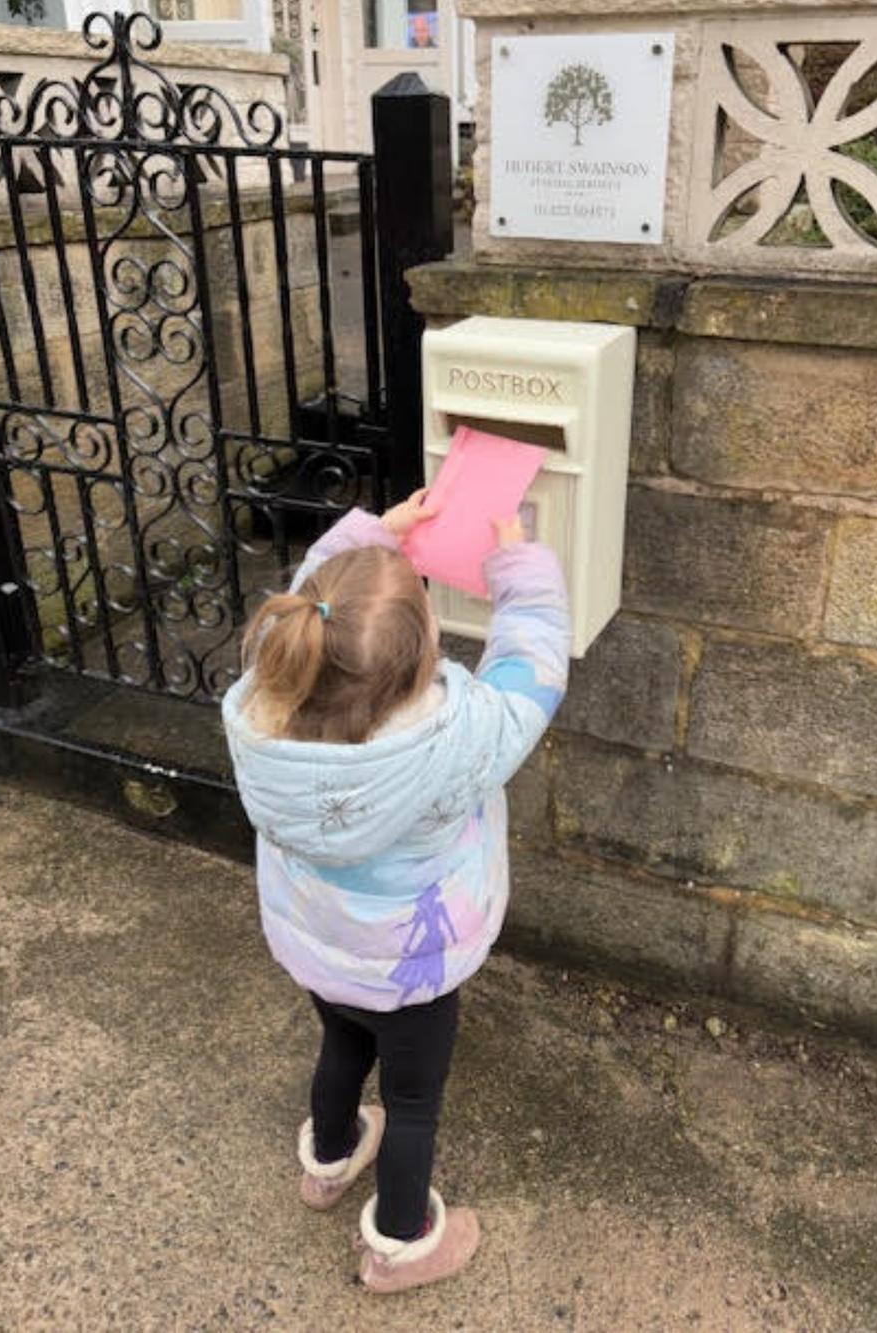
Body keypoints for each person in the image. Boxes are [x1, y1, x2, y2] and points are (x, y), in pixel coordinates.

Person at [221, 490, 569, 1293]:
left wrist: (371, 538)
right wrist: (518, 562)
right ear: (427, 654)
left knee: (342, 1046)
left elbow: (303, 609)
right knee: (413, 1101)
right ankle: (401, 1243)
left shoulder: (264, 703)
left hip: (319, 948)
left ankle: (330, 1162)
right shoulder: (459, 737)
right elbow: (531, 664)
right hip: (412, 970)